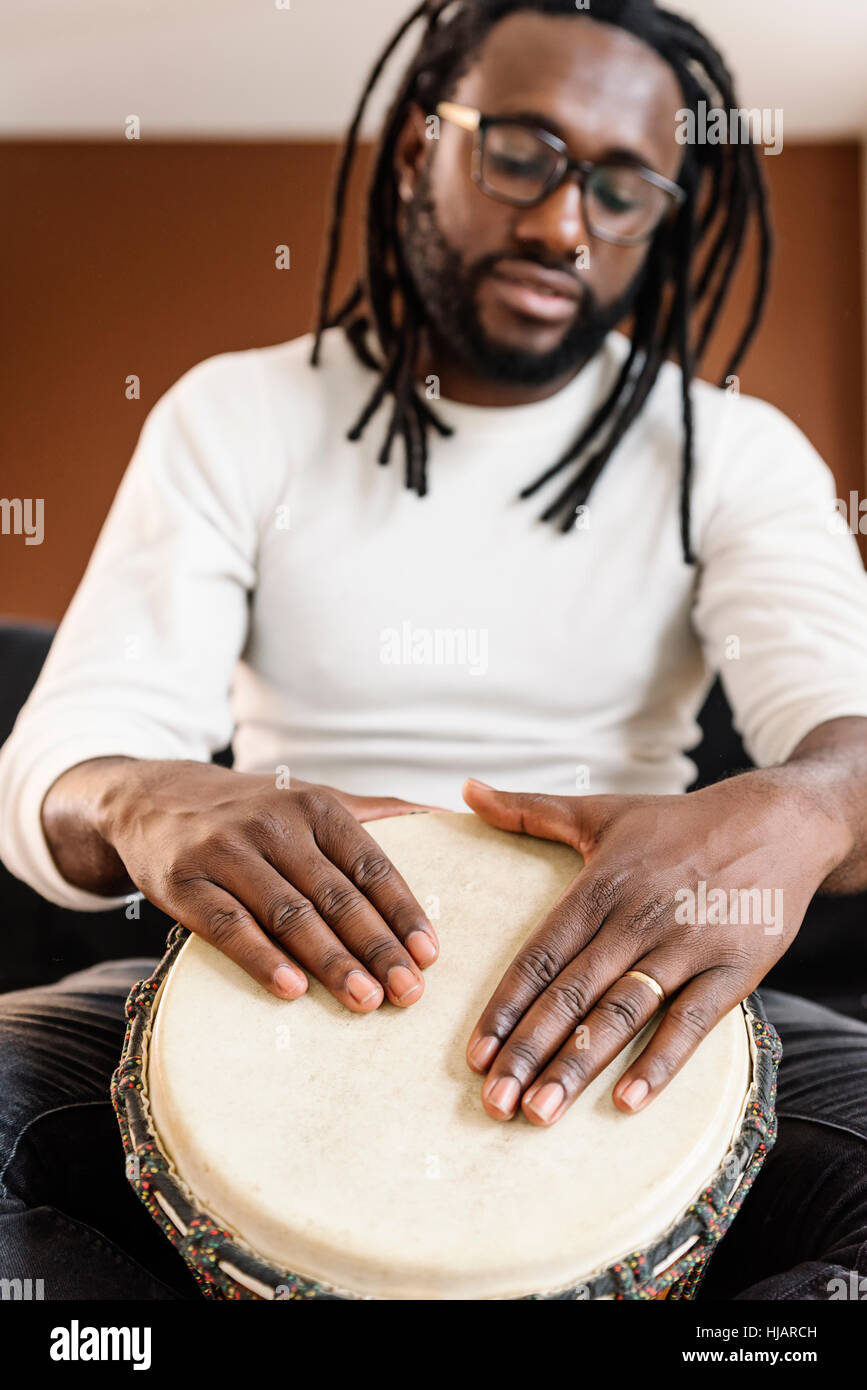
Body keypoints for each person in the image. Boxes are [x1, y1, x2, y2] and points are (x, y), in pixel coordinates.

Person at [2, 0, 867, 1300]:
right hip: (275, 972)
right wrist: (139, 794)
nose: (565, 223)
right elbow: (53, 774)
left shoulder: (733, 454)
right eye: (522, 152)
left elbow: (852, 746)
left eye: (625, 188)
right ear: (418, 147)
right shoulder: (236, 417)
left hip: (631, 980)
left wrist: (804, 810)